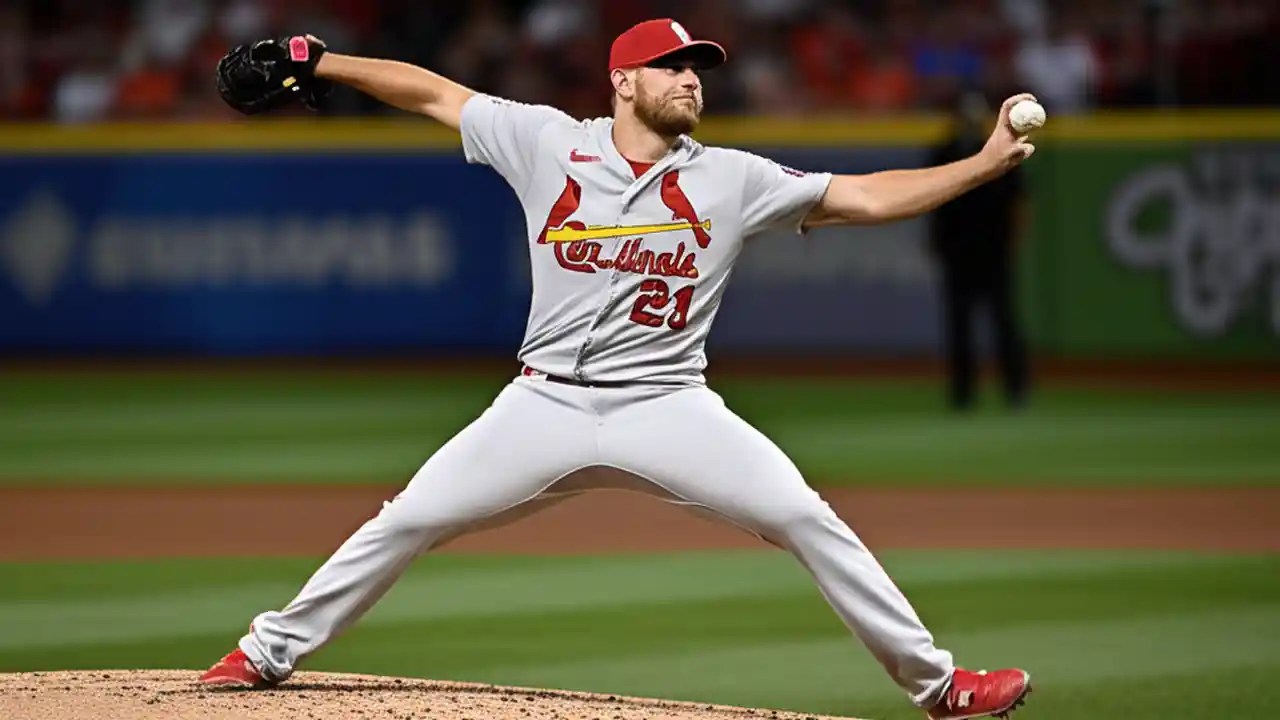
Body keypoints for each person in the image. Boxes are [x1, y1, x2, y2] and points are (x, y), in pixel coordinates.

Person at [202, 20, 1035, 720]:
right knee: (409, 518)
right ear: (624, 81)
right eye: (671, 67)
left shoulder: (732, 178)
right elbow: (432, 93)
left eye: (698, 69)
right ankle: (266, 651)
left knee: (805, 516)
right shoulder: (547, 143)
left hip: (671, 407)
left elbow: (867, 196)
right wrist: (318, 59)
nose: (690, 80)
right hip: (544, 405)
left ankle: (939, 687)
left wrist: (984, 163)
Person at [928, 91, 1030, 411]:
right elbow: (930, 199)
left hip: (992, 249)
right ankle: (963, 394)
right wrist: (937, 242)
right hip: (958, 251)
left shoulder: (1000, 151)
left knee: (1002, 321)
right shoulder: (943, 150)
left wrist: (1013, 240)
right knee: (961, 324)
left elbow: (1018, 202)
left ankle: (1016, 390)